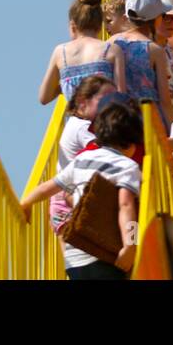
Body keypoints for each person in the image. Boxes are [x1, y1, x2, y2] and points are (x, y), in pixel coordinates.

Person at [20, 95, 144, 280]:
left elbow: (50, 186)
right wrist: (130, 246)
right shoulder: (128, 167)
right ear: (132, 143)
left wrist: (27, 202)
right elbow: (126, 206)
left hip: (74, 256)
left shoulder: (82, 160)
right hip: (105, 254)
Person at [48, 75, 116, 240]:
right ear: (82, 102)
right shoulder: (83, 129)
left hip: (63, 198)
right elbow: (105, 152)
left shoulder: (75, 123)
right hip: (69, 200)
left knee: (74, 260)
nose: (112, 105)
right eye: (105, 99)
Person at [104, 0, 173, 128]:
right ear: (157, 19)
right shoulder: (155, 50)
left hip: (118, 121)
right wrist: (172, 131)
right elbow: (165, 100)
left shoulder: (111, 42)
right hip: (146, 124)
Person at [36, 0, 112, 107]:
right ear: (99, 25)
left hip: (76, 123)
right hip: (104, 122)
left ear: (72, 26)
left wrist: (64, 86)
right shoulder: (111, 49)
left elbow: (44, 97)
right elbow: (121, 94)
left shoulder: (60, 52)